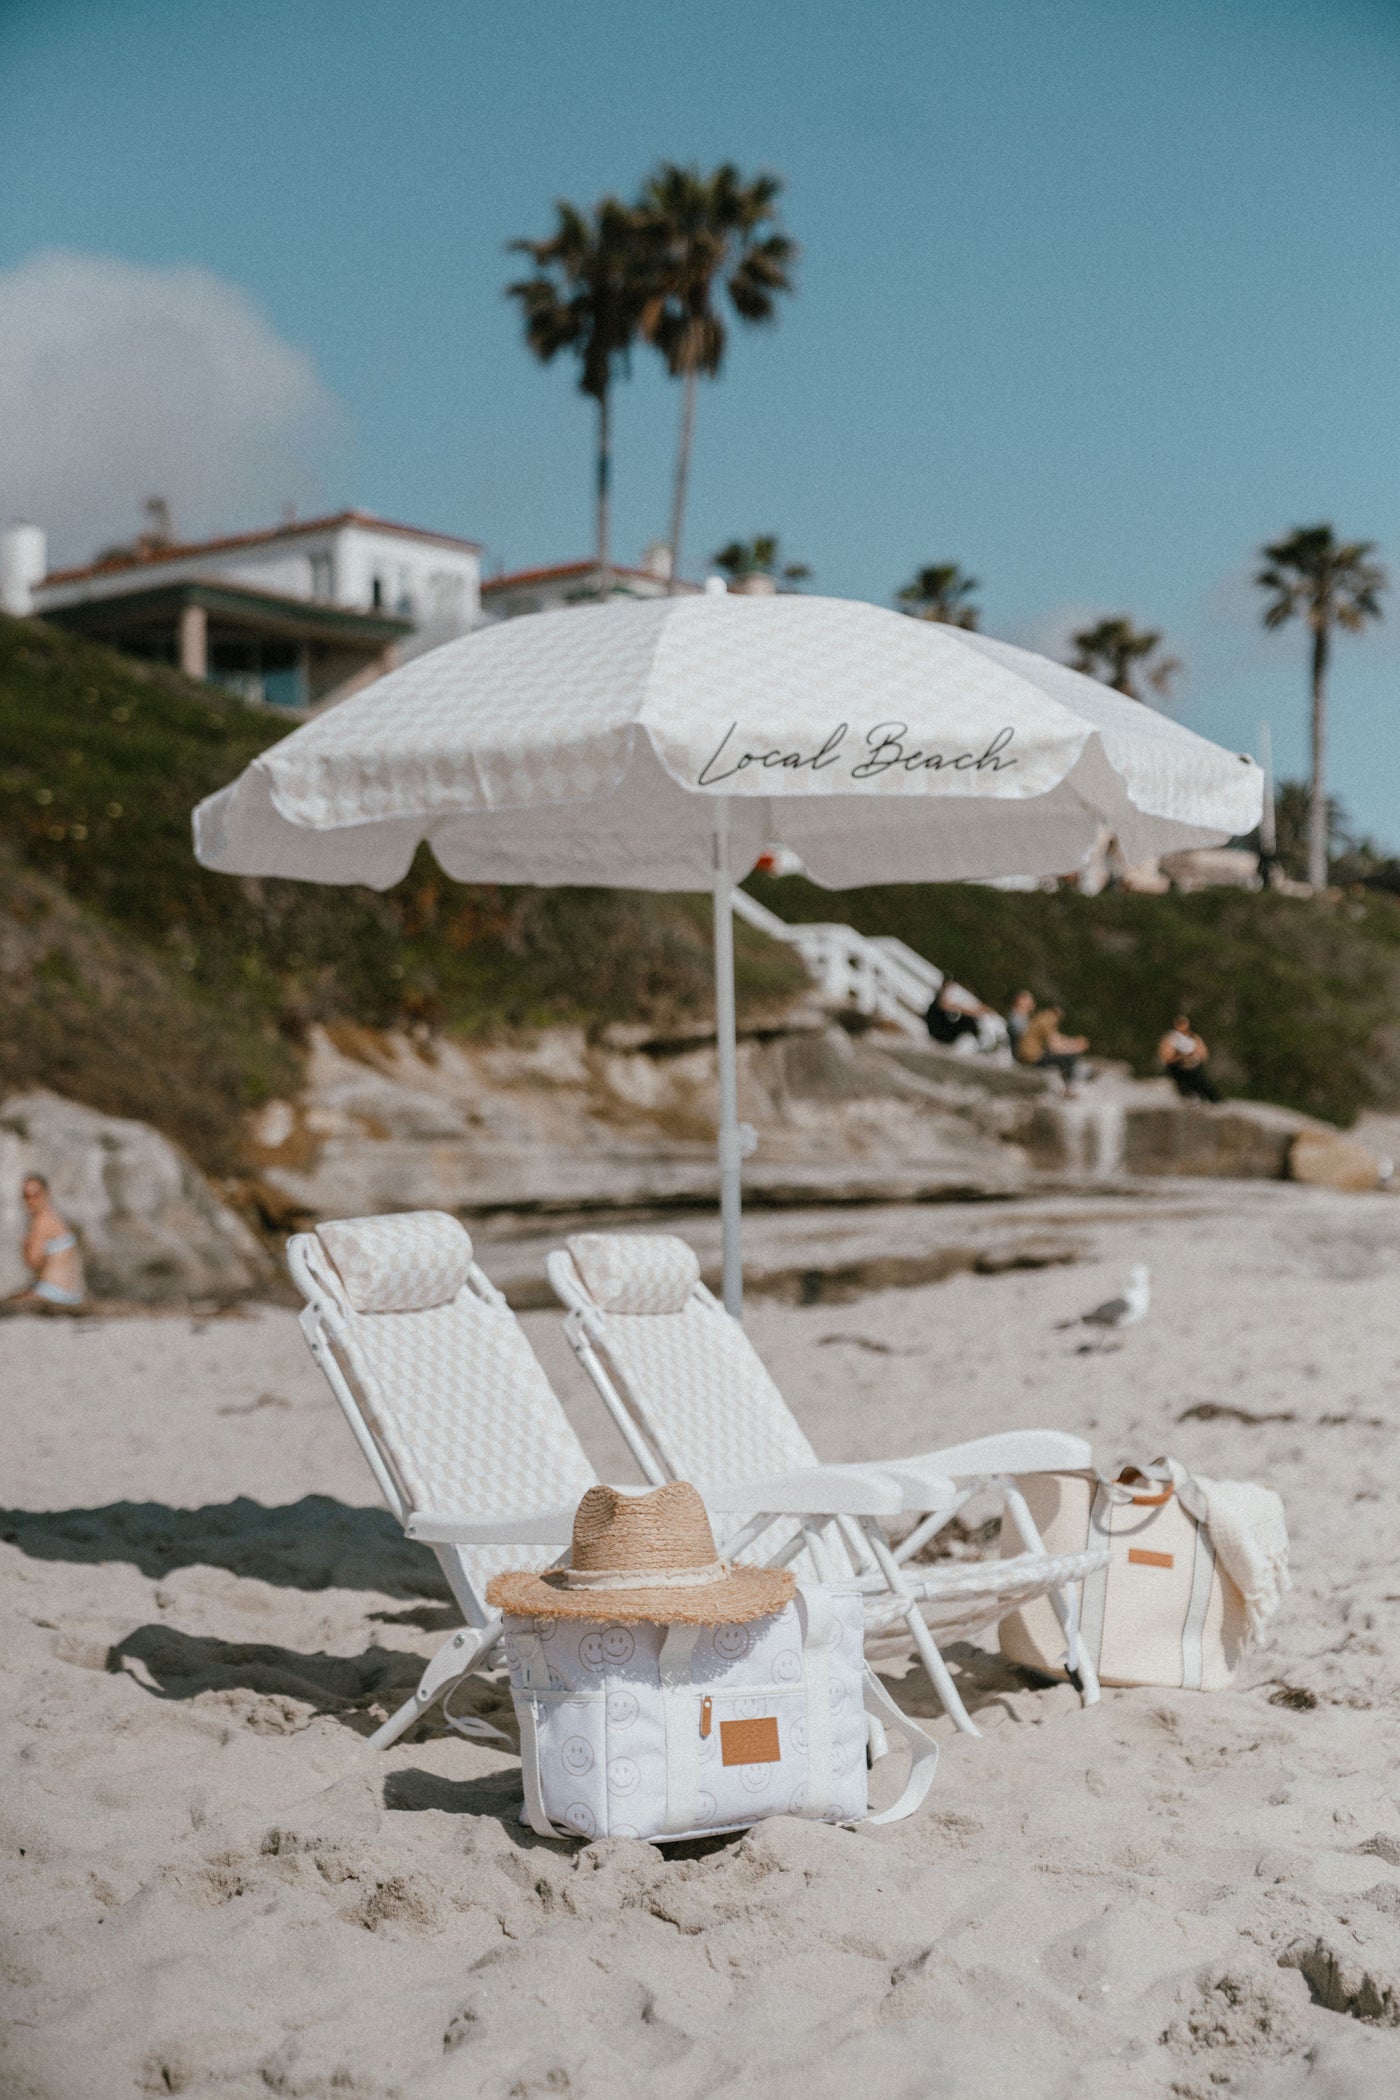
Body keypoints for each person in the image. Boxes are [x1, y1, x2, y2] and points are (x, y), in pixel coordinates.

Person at [3, 1174, 86, 1313]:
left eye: (35, 1195)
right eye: (26, 1196)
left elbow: (33, 1262)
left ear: (46, 1194)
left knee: (8, 1302)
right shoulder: (55, 1218)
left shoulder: (42, 1222)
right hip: (72, 1293)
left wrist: (26, 1243)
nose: (30, 1200)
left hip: (53, 1293)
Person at [1015, 1003, 1090, 1093]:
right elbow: (1054, 1047)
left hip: (1031, 1054)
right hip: (1031, 1056)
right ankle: (1069, 1088)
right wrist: (1074, 1048)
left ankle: (1068, 1086)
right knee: (1070, 1058)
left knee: (1067, 1056)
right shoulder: (1047, 1021)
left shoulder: (1044, 1017)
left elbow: (1056, 1038)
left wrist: (1074, 1043)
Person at [1158, 1014, 1221, 1103]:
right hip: (1177, 1067)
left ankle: (1213, 1100)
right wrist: (1179, 1057)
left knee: (1200, 1081)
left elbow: (1202, 1054)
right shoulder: (1171, 1038)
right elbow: (1166, 1055)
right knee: (1186, 1082)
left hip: (1193, 1066)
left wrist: (1192, 1056)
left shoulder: (1194, 1038)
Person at [924, 977, 996, 1048]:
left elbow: (958, 1006)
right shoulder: (939, 999)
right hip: (938, 1033)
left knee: (965, 1020)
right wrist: (975, 1012)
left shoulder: (941, 998)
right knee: (967, 1021)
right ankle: (982, 1044)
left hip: (939, 1031)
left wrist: (981, 1009)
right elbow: (956, 1007)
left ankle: (981, 1043)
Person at [1006, 989, 1035, 1057]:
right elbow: (1021, 1035)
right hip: (1021, 1052)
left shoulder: (1024, 1017)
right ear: (1020, 1000)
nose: (1032, 1003)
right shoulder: (1016, 1017)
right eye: (1029, 1000)